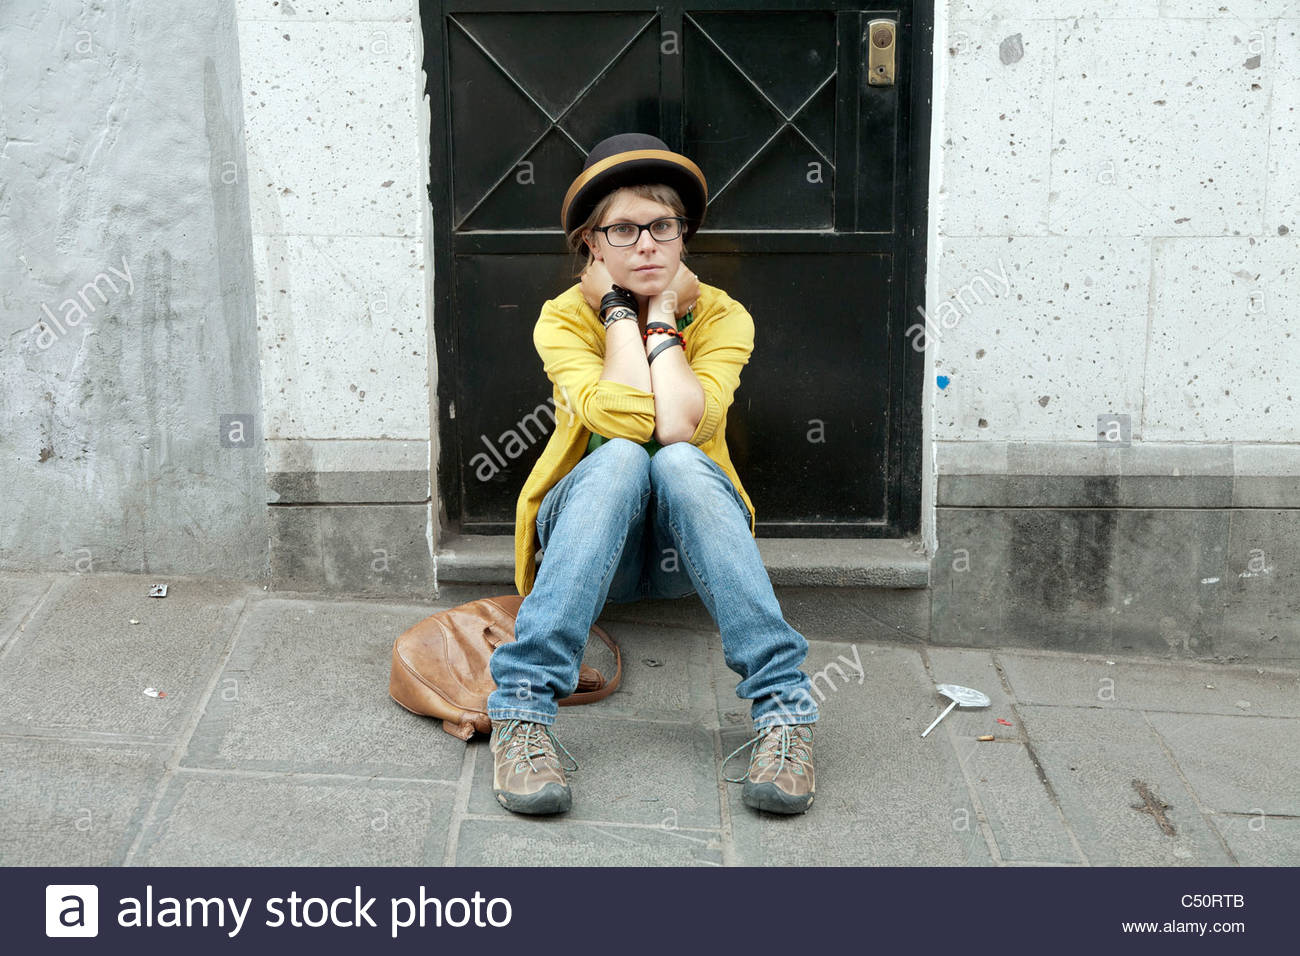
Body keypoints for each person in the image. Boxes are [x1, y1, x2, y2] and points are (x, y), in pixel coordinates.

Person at [485, 132, 819, 817]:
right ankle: (520, 712)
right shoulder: (562, 318)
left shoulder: (723, 315)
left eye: (662, 227)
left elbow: (679, 427)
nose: (645, 246)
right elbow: (623, 420)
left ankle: (785, 714)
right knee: (616, 459)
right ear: (591, 245)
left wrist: (662, 316)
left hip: (685, 547)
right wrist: (615, 313)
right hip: (586, 542)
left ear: (683, 237)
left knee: (678, 461)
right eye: (623, 229)